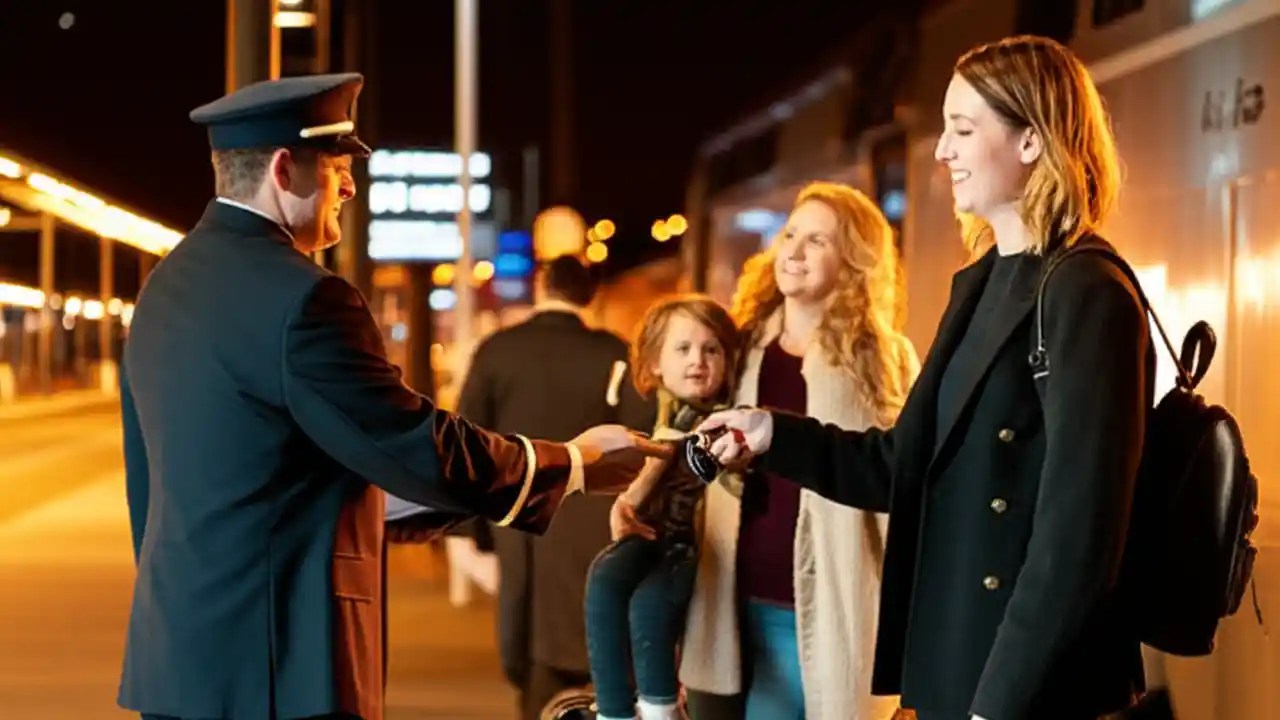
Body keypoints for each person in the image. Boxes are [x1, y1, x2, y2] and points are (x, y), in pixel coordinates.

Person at [117, 73, 666, 720]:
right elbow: (413, 444)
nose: (349, 185)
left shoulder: (165, 287)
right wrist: (574, 464)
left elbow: (163, 479)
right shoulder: (304, 298)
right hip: (279, 667)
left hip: (182, 656)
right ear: (285, 169)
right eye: (337, 164)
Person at [698, 35, 1154, 720]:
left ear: (1031, 140)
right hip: (958, 670)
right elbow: (897, 465)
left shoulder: (1087, 290)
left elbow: (1078, 541)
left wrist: (995, 704)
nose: (941, 151)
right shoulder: (980, 286)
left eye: (964, 129)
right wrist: (771, 434)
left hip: (1027, 689)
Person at [677, 182, 919, 720]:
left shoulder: (884, 358)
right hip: (734, 600)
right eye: (790, 234)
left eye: (818, 241)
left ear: (854, 261)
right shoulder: (741, 348)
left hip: (837, 602)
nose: (795, 250)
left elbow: (905, 475)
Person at [456, 254, 656, 720]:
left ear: (542, 287)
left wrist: (473, 531)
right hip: (593, 521)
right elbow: (639, 435)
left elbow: (465, 442)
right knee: (594, 633)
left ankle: (535, 703)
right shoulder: (614, 352)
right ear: (592, 294)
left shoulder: (497, 350)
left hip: (517, 514)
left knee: (527, 637)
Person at [584, 294, 740, 720]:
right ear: (655, 363)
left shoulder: (730, 420)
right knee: (605, 576)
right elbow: (659, 456)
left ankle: (659, 708)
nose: (698, 361)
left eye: (712, 350)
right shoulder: (668, 414)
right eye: (683, 348)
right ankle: (614, 710)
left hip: (693, 546)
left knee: (648, 606)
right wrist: (630, 499)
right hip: (655, 532)